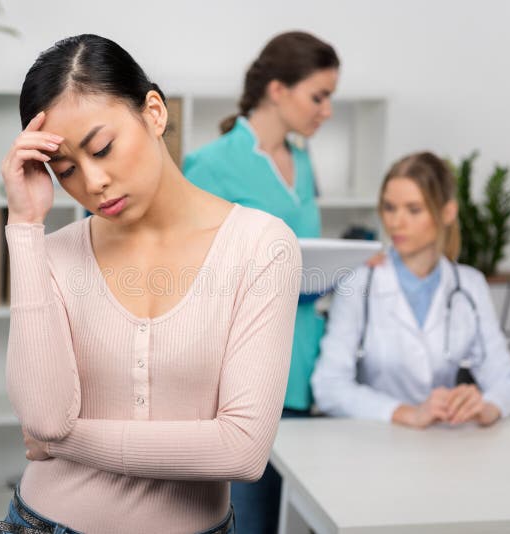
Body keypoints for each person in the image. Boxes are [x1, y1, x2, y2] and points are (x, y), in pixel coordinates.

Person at [0, 33, 301, 534]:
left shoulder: (261, 247)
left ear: (153, 112)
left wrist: (67, 443)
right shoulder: (52, 253)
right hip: (41, 523)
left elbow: (243, 450)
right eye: (67, 169)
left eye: (103, 148)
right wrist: (25, 227)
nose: (91, 182)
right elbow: (45, 419)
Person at [183, 30, 339, 533]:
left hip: (308, 376)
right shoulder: (209, 166)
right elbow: (188, 279)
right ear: (277, 89)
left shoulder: (305, 161)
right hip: (243, 384)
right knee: (245, 525)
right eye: (319, 96)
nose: (326, 110)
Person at [312, 151, 510, 428]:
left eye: (413, 210)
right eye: (389, 208)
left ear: (447, 212)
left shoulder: (469, 285)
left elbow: (507, 379)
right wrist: (406, 413)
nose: (396, 222)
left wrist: (485, 406)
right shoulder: (359, 281)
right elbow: (329, 386)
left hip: (446, 442)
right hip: (374, 440)